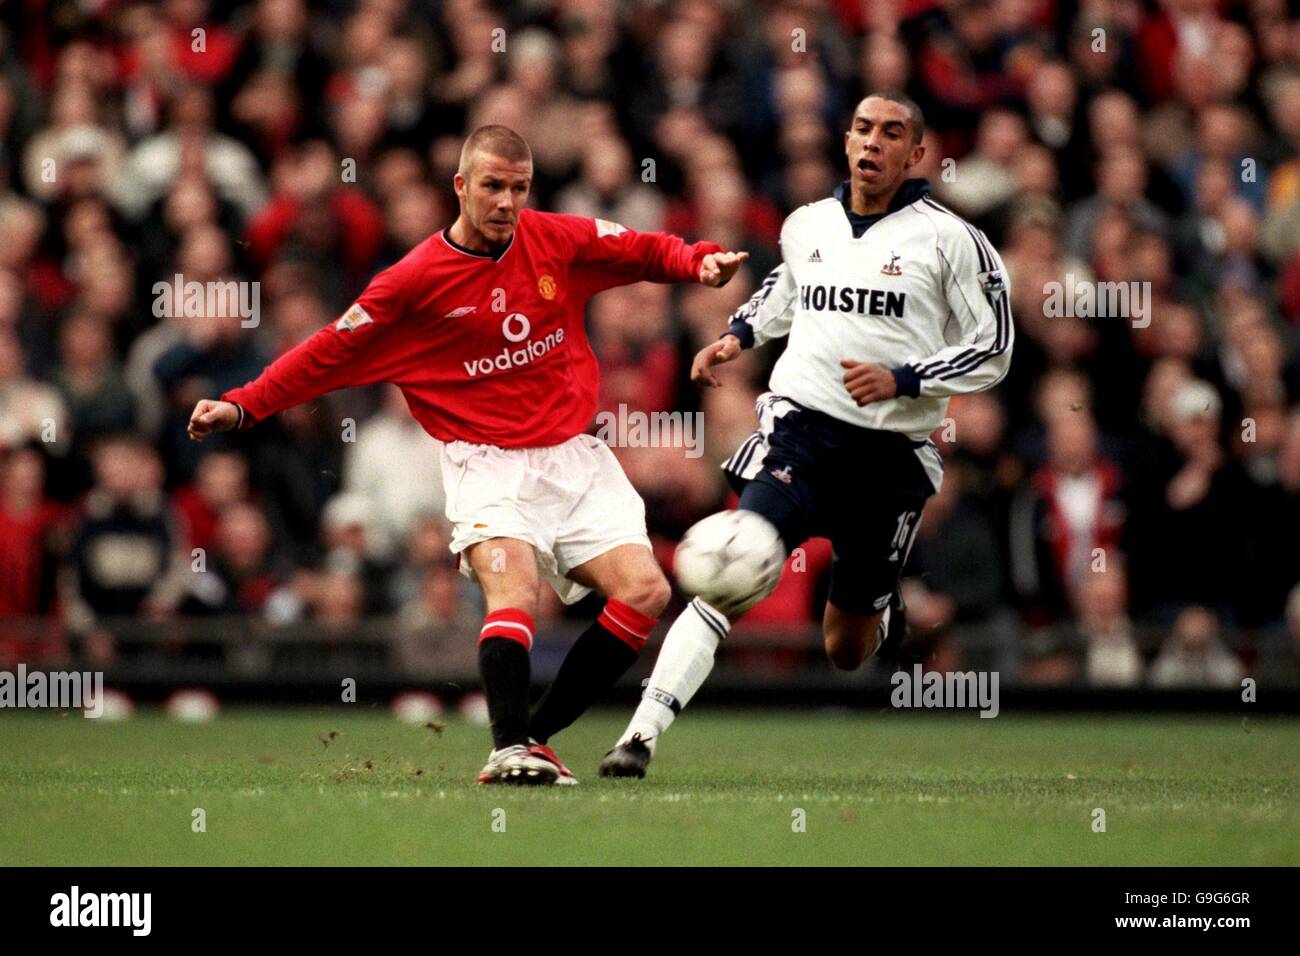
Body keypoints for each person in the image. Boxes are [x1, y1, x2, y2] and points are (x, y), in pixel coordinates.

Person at [188, 125, 747, 785]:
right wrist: (245, 403)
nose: (507, 201)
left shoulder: (554, 239)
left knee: (647, 590)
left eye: (518, 187)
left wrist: (698, 260)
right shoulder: (412, 283)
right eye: (492, 186)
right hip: (487, 463)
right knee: (515, 587)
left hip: (574, 457)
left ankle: (535, 736)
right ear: (461, 186)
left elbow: (637, 247)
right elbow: (328, 350)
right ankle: (508, 746)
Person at [602, 93, 1015, 777]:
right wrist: (735, 336)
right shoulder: (808, 224)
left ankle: (881, 611)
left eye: (890, 133)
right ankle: (638, 738)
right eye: (861, 129)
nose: (872, 143)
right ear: (846, 140)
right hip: (802, 437)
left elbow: (995, 347)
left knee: (845, 646)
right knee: (732, 570)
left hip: (887, 458)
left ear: (915, 154)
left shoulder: (952, 241)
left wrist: (906, 378)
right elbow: (787, 290)